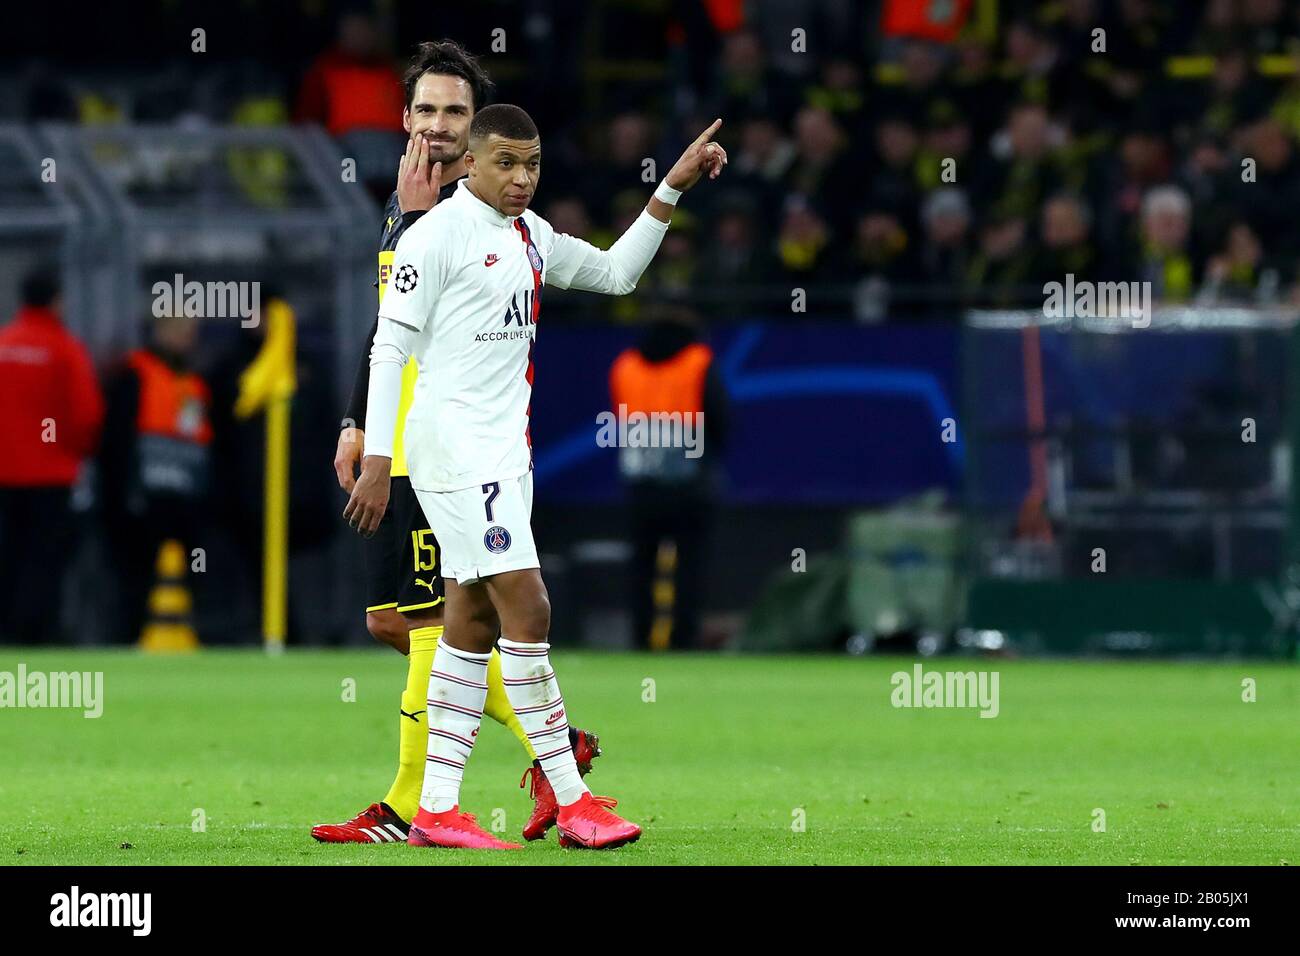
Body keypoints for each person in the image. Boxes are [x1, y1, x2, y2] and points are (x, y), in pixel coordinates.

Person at [345, 103, 728, 850]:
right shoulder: (435, 237)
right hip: (456, 455)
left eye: (532, 165)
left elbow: (617, 274)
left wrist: (671, 187)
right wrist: (379, 460)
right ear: (471, 163)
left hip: (502, 458)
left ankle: (437, 810)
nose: (521, 179)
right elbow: (389, 347)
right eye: (506, 163)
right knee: (530, 609)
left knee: (469, 623)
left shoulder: (530, 234)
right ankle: (573, 799)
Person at [313, 41, 600, 847]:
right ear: (405, 117)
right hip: (399, 444)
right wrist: (355, 422)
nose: (438, 126)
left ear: (477, 131)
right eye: (427, 110)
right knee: (394, 620)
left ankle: (413, 804)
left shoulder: (463, 211)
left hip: (439, 453)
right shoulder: (408, 200)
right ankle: (554, 749)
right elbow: (388, 331)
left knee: (434, 620)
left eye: (455, 113)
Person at [610, 316, 728, 649]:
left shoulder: (626, 366)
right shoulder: (698, 362)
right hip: (690, 487)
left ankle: (641, 638)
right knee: (690, 567)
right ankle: (683, 640)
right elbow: (720, 419)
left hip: (641, 486)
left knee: (641, 567)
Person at [0, 272, 103, 643]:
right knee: (44, 560)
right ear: (56, 301)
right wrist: (71, 450)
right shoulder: (64, 349)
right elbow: (85, 415)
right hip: (50, 476)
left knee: (8, 556)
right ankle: (36, 635)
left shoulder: (4, 344)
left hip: (4, 476)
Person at [98, 312, 211, 644]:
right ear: (160, 330)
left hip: (186, 499)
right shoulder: (134, 375)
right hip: (143, 501)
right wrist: (123, 495)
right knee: (133, 580)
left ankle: (201, 639)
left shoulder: (194, 382)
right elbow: (115, 441)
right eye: (181, 330)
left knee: (199, 575)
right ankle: (124, 641)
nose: (189, 338)